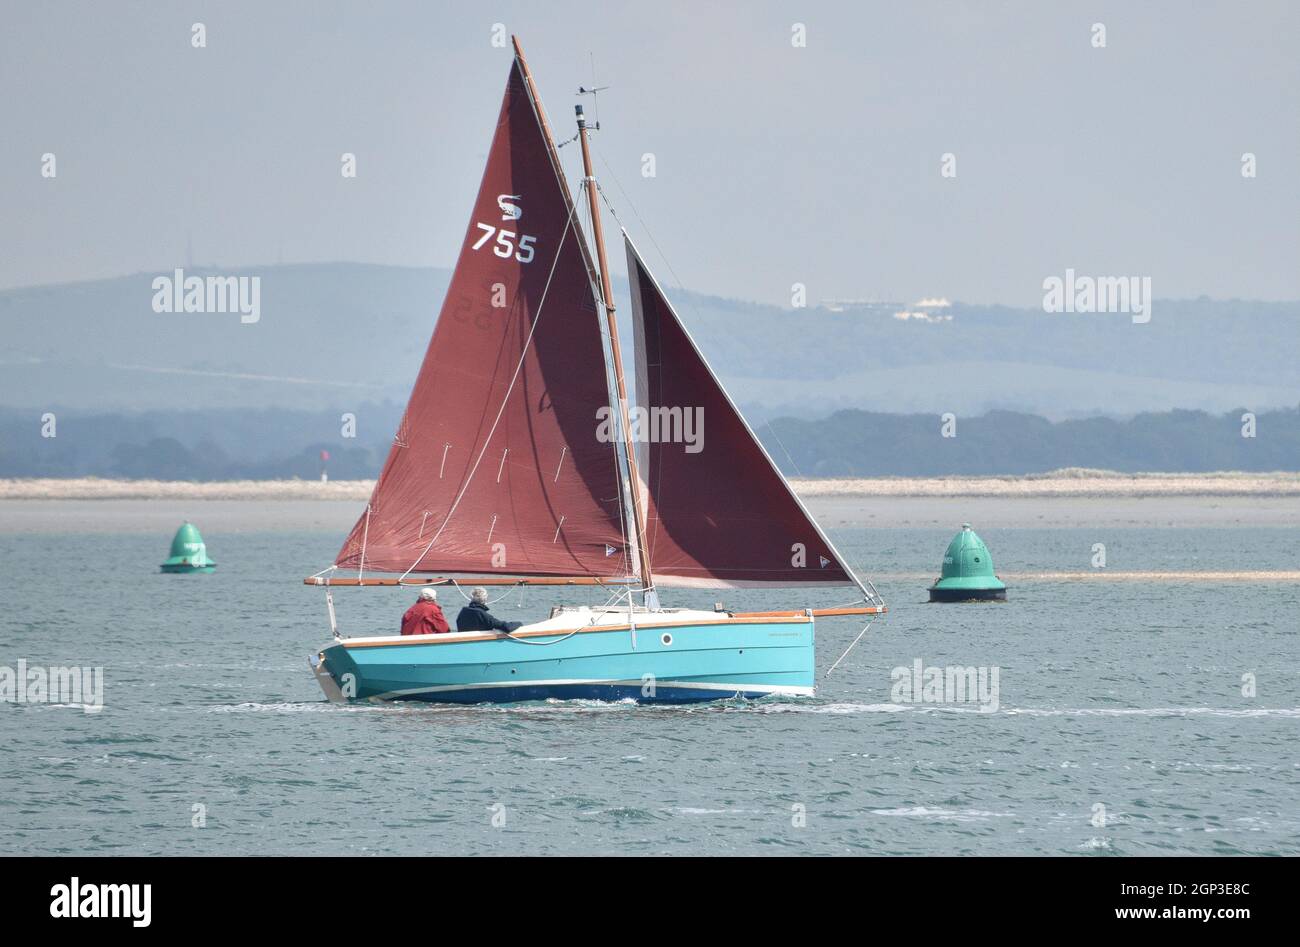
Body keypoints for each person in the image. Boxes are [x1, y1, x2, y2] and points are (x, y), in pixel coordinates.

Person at [456, 586, 522, 633]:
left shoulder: (462, 612)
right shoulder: (482, 614)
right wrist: (520, 623)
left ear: (471, 598)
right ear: (485, 599)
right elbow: (506, 627)